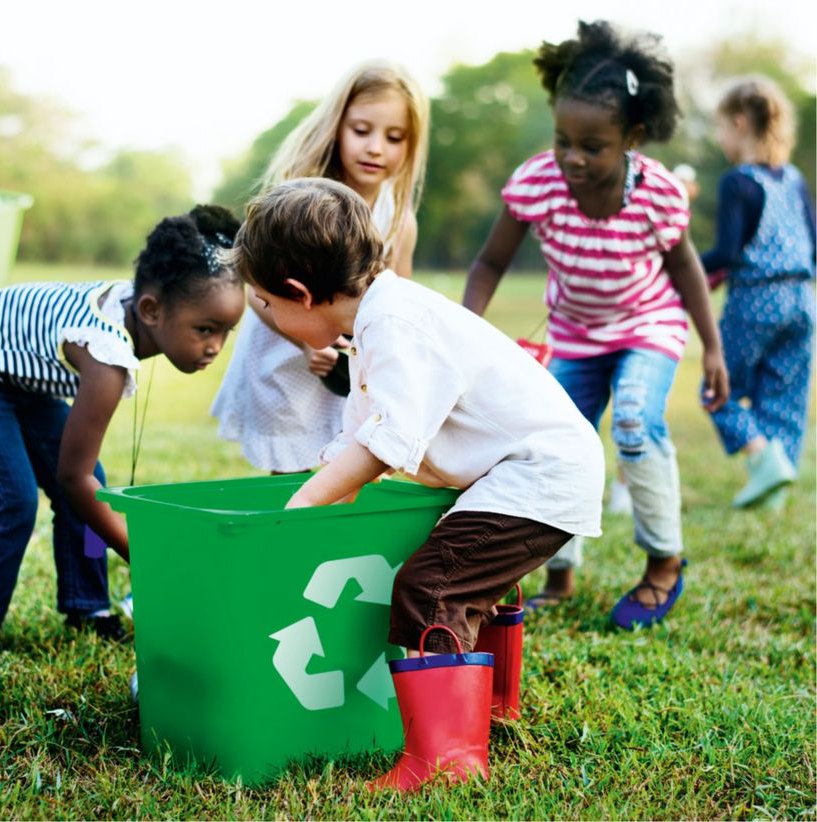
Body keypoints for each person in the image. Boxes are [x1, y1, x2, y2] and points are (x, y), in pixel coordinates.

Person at [232, 177, 603, 790]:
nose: (268, 318)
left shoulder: (396, 326)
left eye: (266, 305)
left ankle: (447, 761)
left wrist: (299, 508)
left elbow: (385, 444)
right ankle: (490, 712)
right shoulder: (381, 321)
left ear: (299, 292)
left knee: (432, 588)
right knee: (470, 580)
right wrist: (317, 502)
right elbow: (358, 442)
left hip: (537, 474)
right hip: (526, 473)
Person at [462, 20, 729, 629]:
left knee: (634, 419)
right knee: (557, 443)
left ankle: (664, 563)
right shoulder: (538, 183)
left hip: (647, 325)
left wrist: (712, 347)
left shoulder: (657, 194)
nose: (573, 158)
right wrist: (466, 336)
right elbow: (489, 262)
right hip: (577, 335)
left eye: (593, 145)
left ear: (633, 136)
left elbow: (686, 269)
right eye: (563, 140)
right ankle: (560, 570)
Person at [0, 206, 245, 658]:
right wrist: (142, 554)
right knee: (12, 499)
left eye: (227, 331)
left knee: (95, 488)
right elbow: (74, 477)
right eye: (205, 329)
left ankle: (88, 608)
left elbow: (83, 480)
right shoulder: (106, 355)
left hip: (16, 374)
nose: (214, 347)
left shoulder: (147, 302)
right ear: (150, 310)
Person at [211, 60, 429, 473]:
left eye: (394, 137)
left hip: (348, 368)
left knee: (350, 466)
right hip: (286, 357)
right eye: (361, 131)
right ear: (337, 126)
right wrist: (307, 343)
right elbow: (257, 289)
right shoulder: (298, 201)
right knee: (292, 471)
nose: (376, 148)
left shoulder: (399, 219)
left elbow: (398, 306)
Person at [701, 76, 815, 510]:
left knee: (718, 390)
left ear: (740, 122)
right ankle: (772, 496)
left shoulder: (738, 182)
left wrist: (682, 264)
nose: (720, 138)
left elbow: (727, 252)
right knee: (783, 396)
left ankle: (764, 461)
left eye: (721, 128)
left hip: (756, 300)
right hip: (803, 300)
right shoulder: (794, 178)